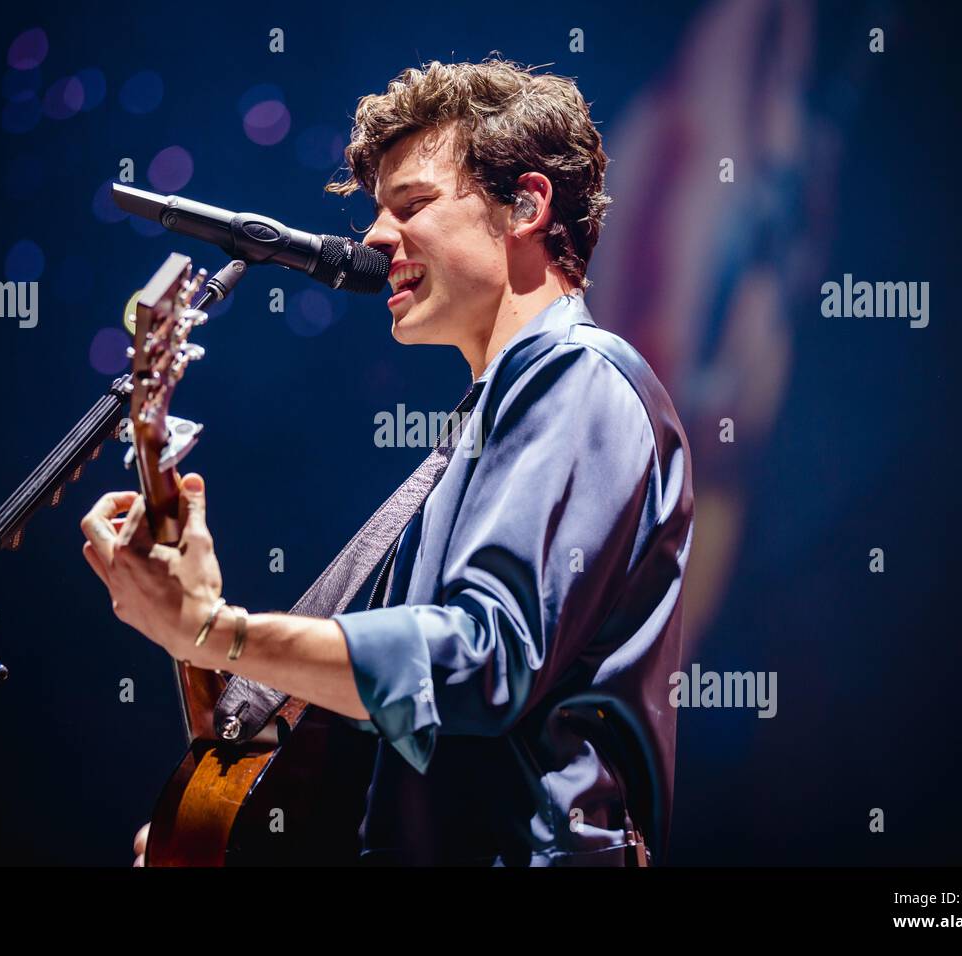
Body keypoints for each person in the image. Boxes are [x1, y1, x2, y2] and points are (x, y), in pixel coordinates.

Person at [80, 57, 693, 866]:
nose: (373, 237)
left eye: (413, 204)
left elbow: (480, 659)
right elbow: (360, 746)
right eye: (378, 210)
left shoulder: (578, 374)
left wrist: (218, 631)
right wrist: (201, 639)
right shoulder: (485, 425)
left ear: (526, 205)